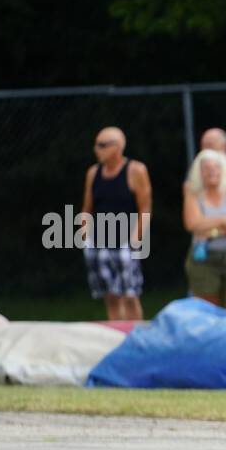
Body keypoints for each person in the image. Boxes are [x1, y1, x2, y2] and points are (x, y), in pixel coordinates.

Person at [79, 126, 152, 321]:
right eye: (96, 145)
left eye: (102, 145)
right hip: (99, 242)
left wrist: (134, 242)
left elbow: (145, 209)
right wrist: (86, 238)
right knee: (110, 295)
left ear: (118, 147)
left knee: (130, 295)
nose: (97, 149)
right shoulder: (94, 173)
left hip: (125, 242)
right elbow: (87, 208)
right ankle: (116, 336)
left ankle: (136, 336)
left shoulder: (136, 170)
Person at [183, 149, 226, 317]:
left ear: (223, 170)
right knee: (206, 309)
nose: (211, 171)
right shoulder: (193, 195)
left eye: (216, 167)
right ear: (199, 173)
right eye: (206, 168)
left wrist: (211, 226)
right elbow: (193, 224)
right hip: (205, 258)